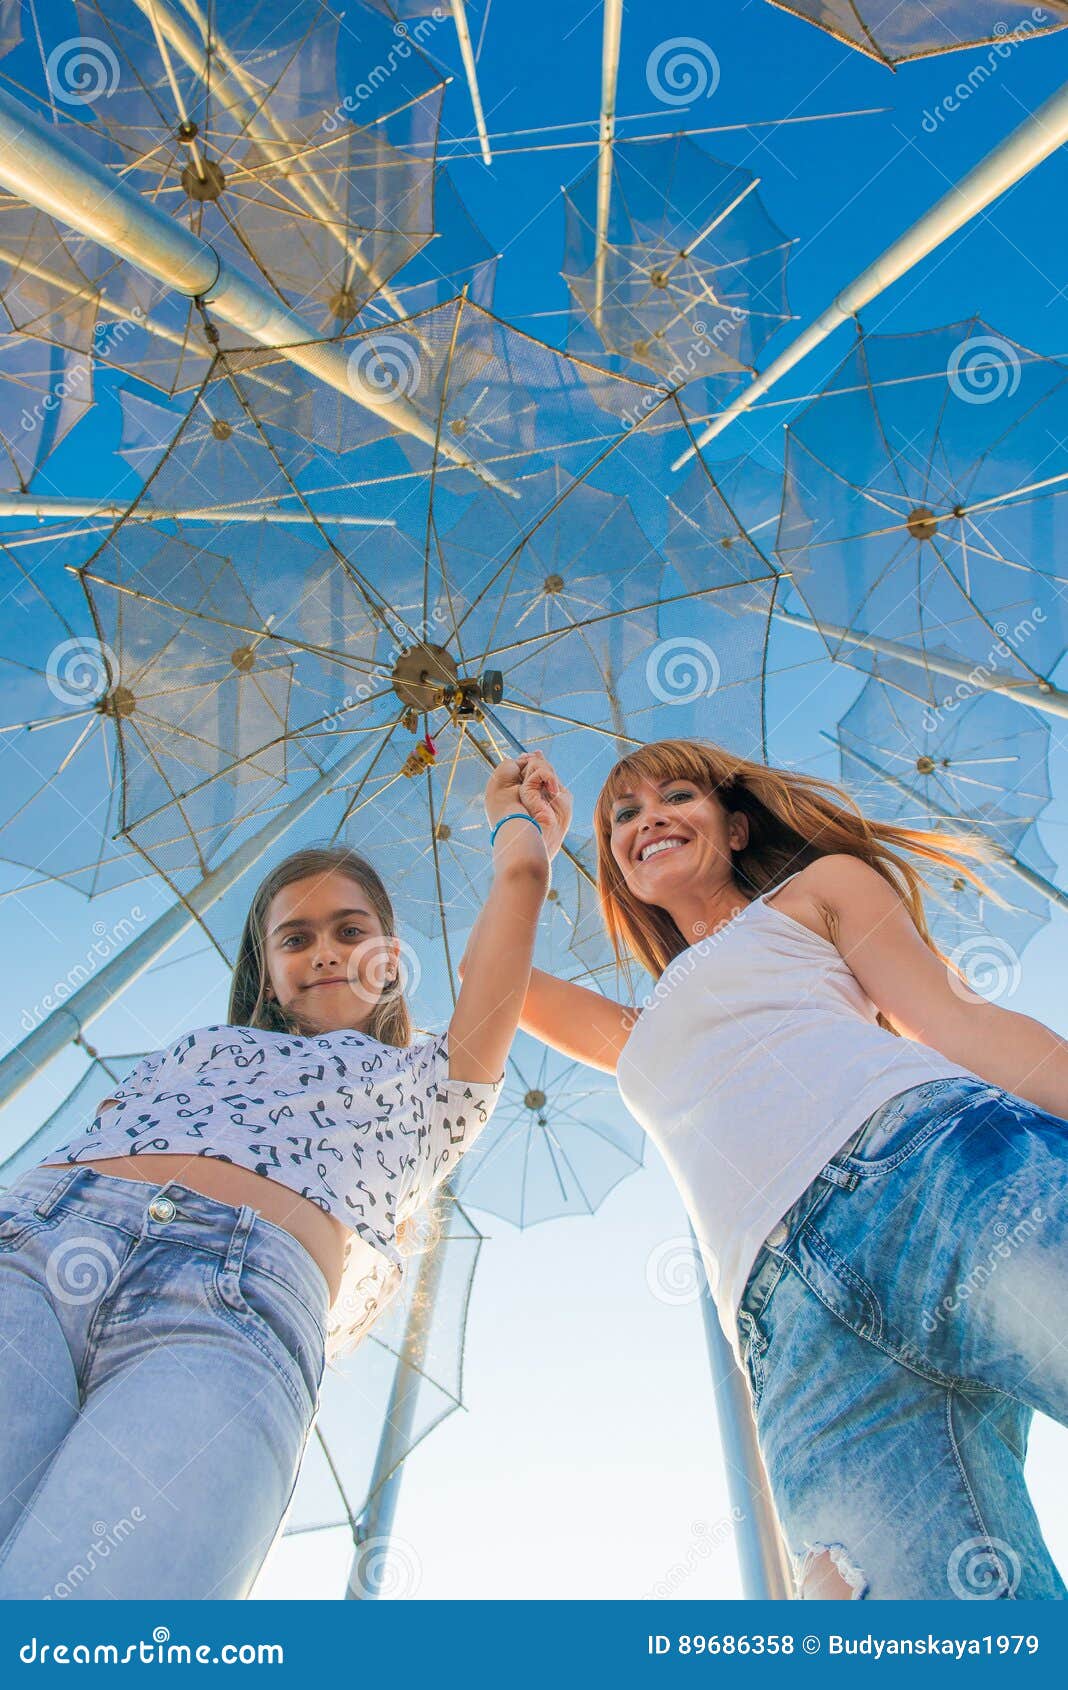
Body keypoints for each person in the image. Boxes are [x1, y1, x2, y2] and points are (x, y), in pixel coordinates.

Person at [512, 739, 1068, 1600]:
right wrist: (529, 837)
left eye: (676, 797)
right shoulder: (634, 1031)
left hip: (933, 1180)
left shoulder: (817, 894)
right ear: (616, 868)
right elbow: (490, 975)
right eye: (623, 815)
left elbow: (961, 1023)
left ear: (735, 827)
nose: (647, 817)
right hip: (797, 1342)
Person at [0, 752, 560, 1599]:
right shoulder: (198, 1045)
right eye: (295, 938)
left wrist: (517, 828)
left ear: (392, 957)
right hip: (41, 1241)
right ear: (265, 968)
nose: (326, 951)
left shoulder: (431, 1084)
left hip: (234, 1310)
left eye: (351, 929)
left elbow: (516, 896)